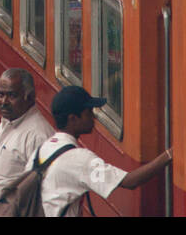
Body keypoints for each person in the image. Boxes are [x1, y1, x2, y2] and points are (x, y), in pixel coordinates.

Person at [36, 85, 173, 217]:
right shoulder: (78, 159)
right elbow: (130, 181)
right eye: (88, 112)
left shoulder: (44, 148)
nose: (93, 117)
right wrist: (169, 155)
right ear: (73, 118)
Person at [0, 68, 55, 213]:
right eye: (1, 94)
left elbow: (43, 192)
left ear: (29, 97)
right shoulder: (9, 120)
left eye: (12, 95)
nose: (4, 101)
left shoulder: (37, 135)